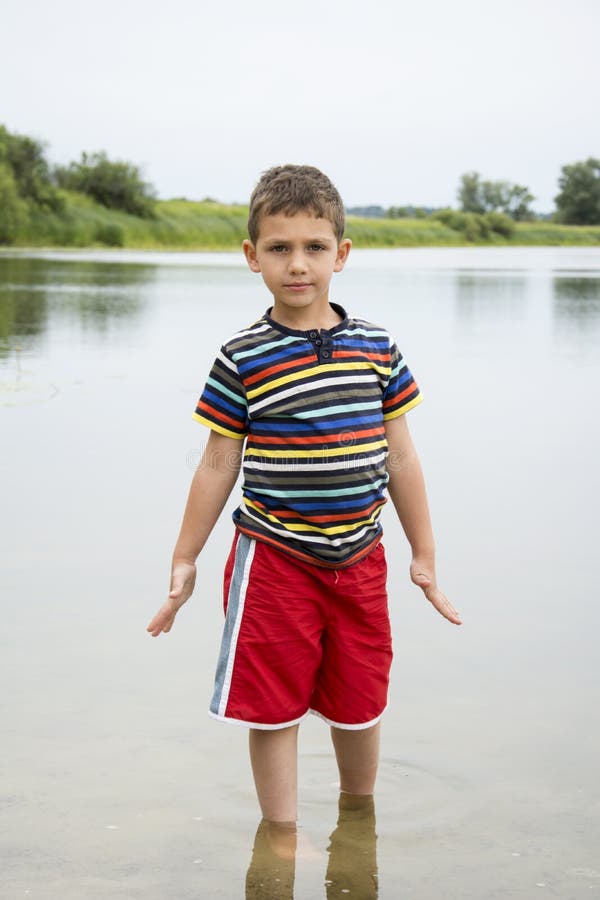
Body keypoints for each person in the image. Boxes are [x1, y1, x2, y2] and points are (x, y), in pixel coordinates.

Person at [147, 164, 461, 828]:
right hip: (274, 559)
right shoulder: (242, 357)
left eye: (314, 248)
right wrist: (185, 559)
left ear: (341, 254)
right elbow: (216, 463)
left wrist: (424, 553)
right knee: (272, 706)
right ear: (251, 256)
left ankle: (358, 816)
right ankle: (281, 836)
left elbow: (400, 455)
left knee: (361, 700)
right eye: (279, 248)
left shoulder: (376, 347)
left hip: (361, 557)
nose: (298, 265)